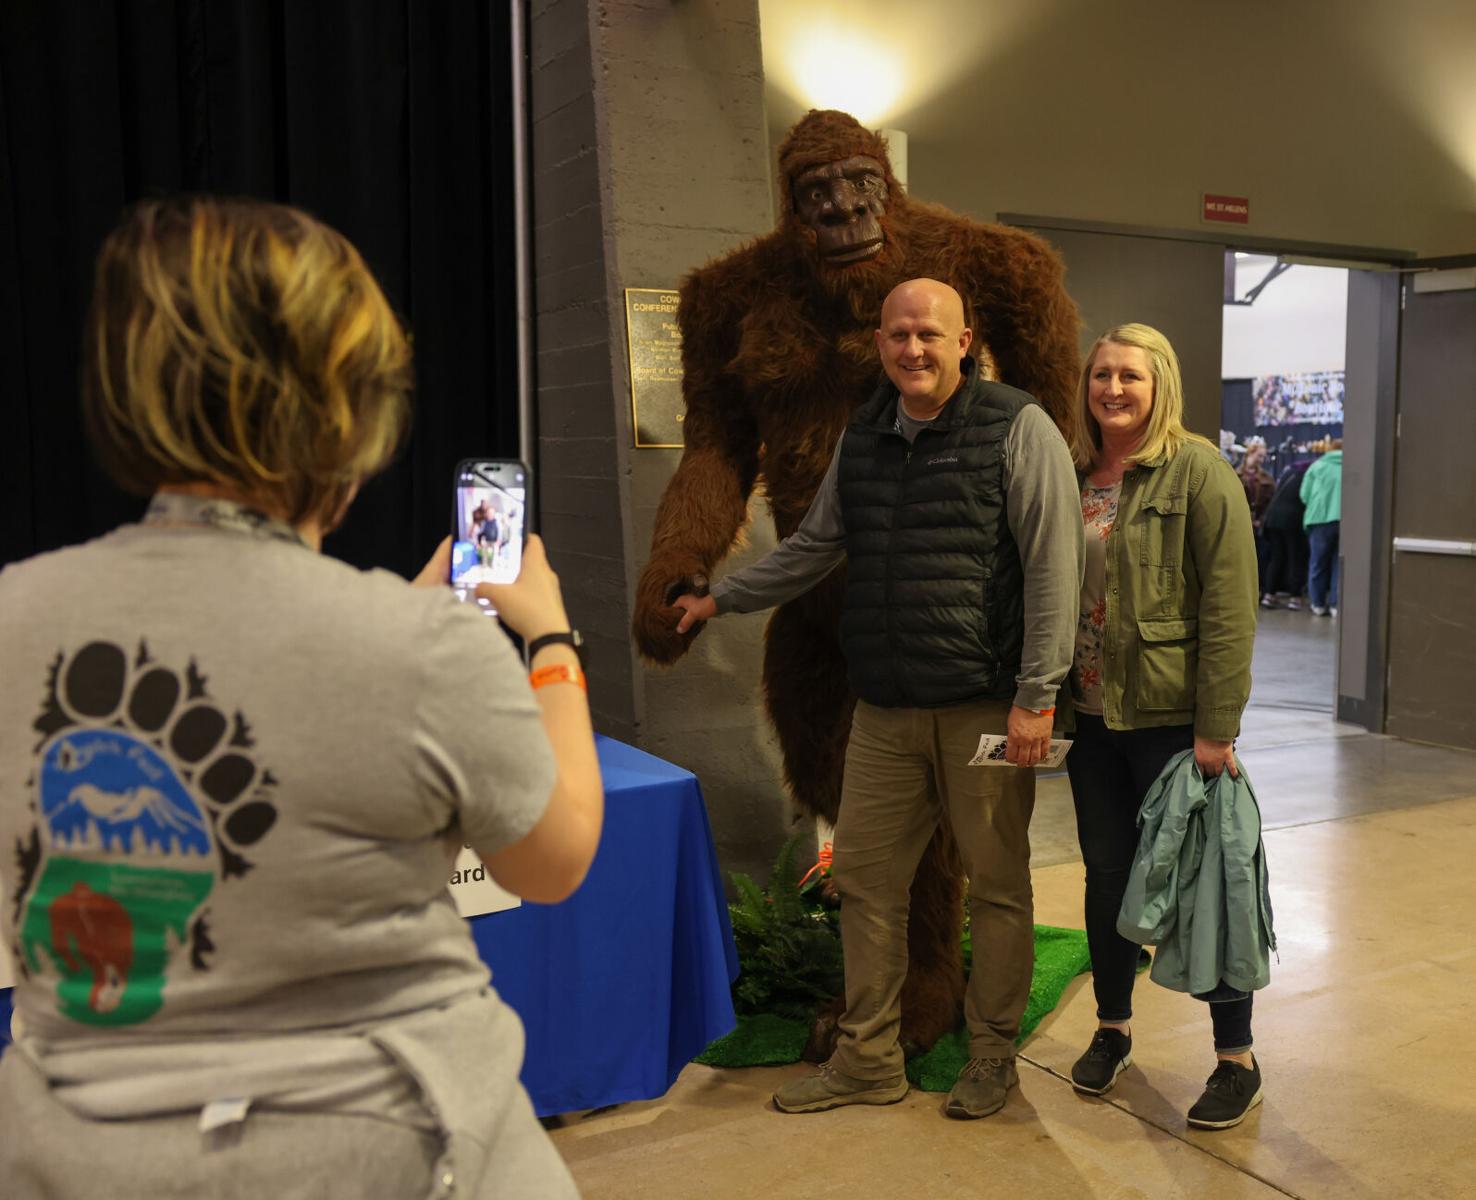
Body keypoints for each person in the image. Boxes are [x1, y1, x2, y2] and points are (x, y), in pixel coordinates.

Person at [0, 196, 600, 1199]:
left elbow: (270, 668)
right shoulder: (422, 648)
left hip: (85, 1150)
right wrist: (547, 637)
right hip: (395, 1150)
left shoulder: (14, 614)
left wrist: (394, 619)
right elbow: (553, 858)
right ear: (351, 410)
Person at [669, 278, 1083, 1121]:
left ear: (963, 342)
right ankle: (869, 1059)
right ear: (882, 345)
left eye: (930, 334)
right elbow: (816, 546)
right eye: (898, 335)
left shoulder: (1017, 426)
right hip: (886, 710)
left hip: (984, 707)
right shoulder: (865, 434)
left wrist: (1037, 698)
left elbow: (1054, 570)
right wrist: (722, 598)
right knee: (864, 883)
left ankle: (993, 1056)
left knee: (998, 886)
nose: (913, 349)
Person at [1062, 323, 1263, 1130]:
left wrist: (1217, 729)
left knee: (1204, 880)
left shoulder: (1200, 472)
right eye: (1101, 374)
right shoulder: (1075, 475)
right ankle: (1113, 1029)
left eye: (1130, 377)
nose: (1112, 389)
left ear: (1161, 386)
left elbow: (1230, 609)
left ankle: (1236, 1058)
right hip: (1089, 718)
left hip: (1171, 722)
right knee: (1107, 877)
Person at [1259, 458, 1311, 609]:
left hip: (1273, 519)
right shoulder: (1308, 475)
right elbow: (1306, 497)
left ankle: (1269, 595)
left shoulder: (1289, 472)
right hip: (1293, 520)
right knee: (1295, 558)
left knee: (1276, 557)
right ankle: (1295, 598)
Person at [1300, 443, 1343, 616]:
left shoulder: (1316, 467)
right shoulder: (1351, 466)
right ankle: (1335, 605)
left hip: (1319, 519)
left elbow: (1304, 495)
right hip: (1345, 520)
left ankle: (1317, 604)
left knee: (1317, 563)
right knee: (1339, 564)